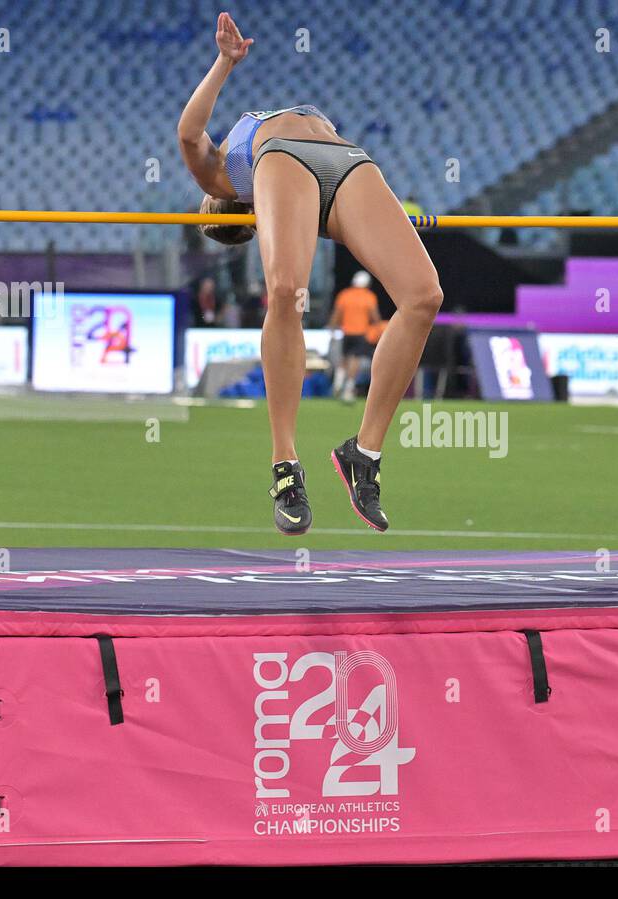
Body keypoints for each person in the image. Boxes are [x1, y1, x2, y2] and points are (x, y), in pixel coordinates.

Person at [176, 13, 441, 535]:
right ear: (228, 210)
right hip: (285, 158)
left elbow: (192, 133)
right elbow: (189, 133)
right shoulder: (225, 180)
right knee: (286, 291)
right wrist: (224, 63)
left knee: (423, 296)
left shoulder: (231, 181)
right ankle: (285, 466)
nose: (201, 198)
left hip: (343, 159)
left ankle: (362, 453)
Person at [328, 270, 381, 400]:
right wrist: (378, 326)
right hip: (360, 333)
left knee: (344, 358)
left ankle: (338, 382)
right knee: (355, 360)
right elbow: (374, 317)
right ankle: (348, 388)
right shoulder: (369, 296)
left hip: (346, 332)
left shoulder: (344, 295)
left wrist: (332, 328)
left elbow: (337, 314)